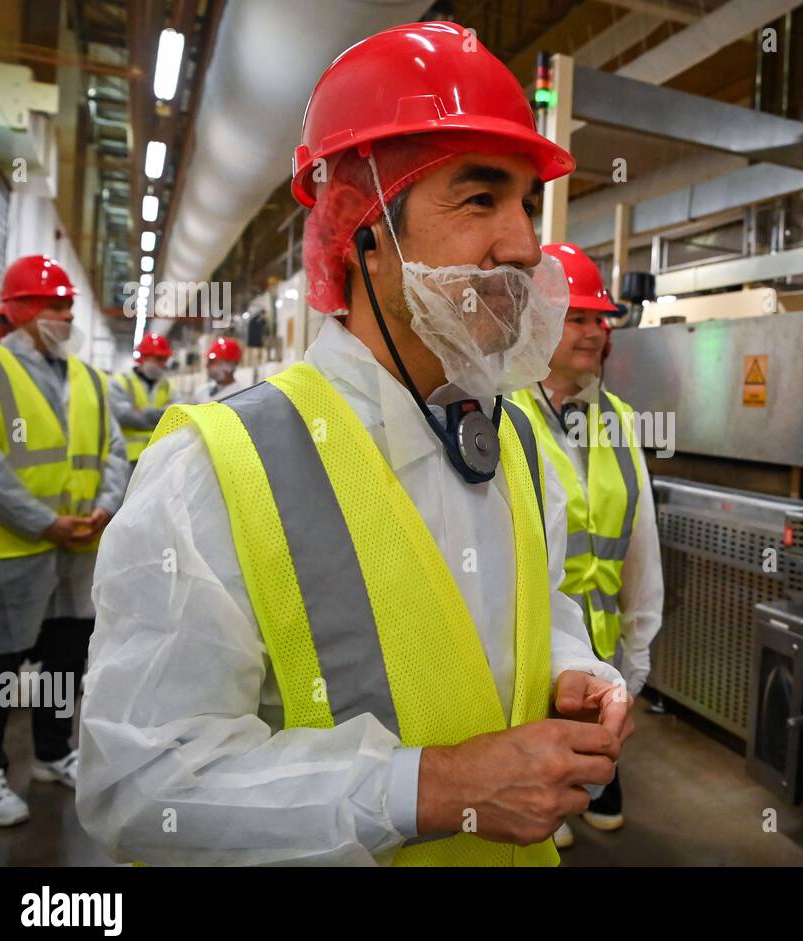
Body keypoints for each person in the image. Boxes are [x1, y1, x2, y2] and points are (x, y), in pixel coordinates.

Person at [77, 21, 634, 867]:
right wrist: (431, 788)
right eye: (479, 198)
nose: (524, 245)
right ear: (360, 232)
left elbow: (529, 609)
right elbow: (140, 784)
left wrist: (569, 666)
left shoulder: (513, 436)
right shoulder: (220, 468)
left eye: (526, 200)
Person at [510, 242, 663, 847]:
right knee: (540, 815)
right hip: (528, 654)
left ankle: (596, 783)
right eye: (578, 317)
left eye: (601, 319)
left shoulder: (620, 420)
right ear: (537, 322)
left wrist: (640, 644)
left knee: (597, 780)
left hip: (602, 648)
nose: (596, 331)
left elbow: (641, 544)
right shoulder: (500, 414)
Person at [0, 255, 128, 826]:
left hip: (80, 547)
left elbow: (113, 448)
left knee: (66, 654)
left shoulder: (88, 377)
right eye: (56, 305)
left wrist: (107, 506)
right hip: (15, 547)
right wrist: (43, 521)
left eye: (69, 305)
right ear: (21, 312)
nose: (67, 315)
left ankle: (52, 751)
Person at [110, 331, 177, 464]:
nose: (163, 364)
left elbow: (178, 415)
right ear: (143, 358)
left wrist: (141, 412)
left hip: (160, 458)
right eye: (158, 359)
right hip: (128, 458)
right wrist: (164, 413)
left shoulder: (167, 385)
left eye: (164, 360)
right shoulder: (120, 382)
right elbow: (125, 417)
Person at [191, 336, 247, 403]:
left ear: (228, 366)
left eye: (211, 362)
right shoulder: (201, 392)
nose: (207, 365)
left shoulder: (242, 396)